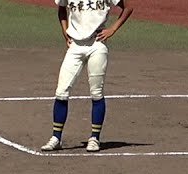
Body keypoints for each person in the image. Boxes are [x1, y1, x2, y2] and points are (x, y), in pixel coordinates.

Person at [38, 0, 133, 154]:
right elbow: (61, 9)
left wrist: (112, 29)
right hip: (75, 46)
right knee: (61, 92)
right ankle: (56, 137)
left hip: (97, 44)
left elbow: (128, 7)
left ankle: (94, 138)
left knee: (96, 92)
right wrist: (65, 31)